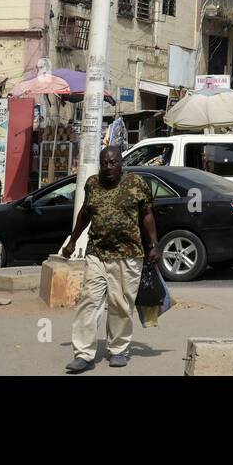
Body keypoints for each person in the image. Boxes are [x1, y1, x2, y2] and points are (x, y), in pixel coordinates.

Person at [60, 145, 159, 373]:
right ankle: (83, 354)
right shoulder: (93, 184)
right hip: (97, 252)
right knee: (88, 301)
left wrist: (154, 243)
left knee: (121, 305)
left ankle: (118, 349)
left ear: (121, 162)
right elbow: (85, 213)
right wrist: (73, 241)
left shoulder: (136, 183)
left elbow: (147, 215)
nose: (108, 167)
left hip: (128, 254)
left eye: (113, 162)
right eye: (104, 163)